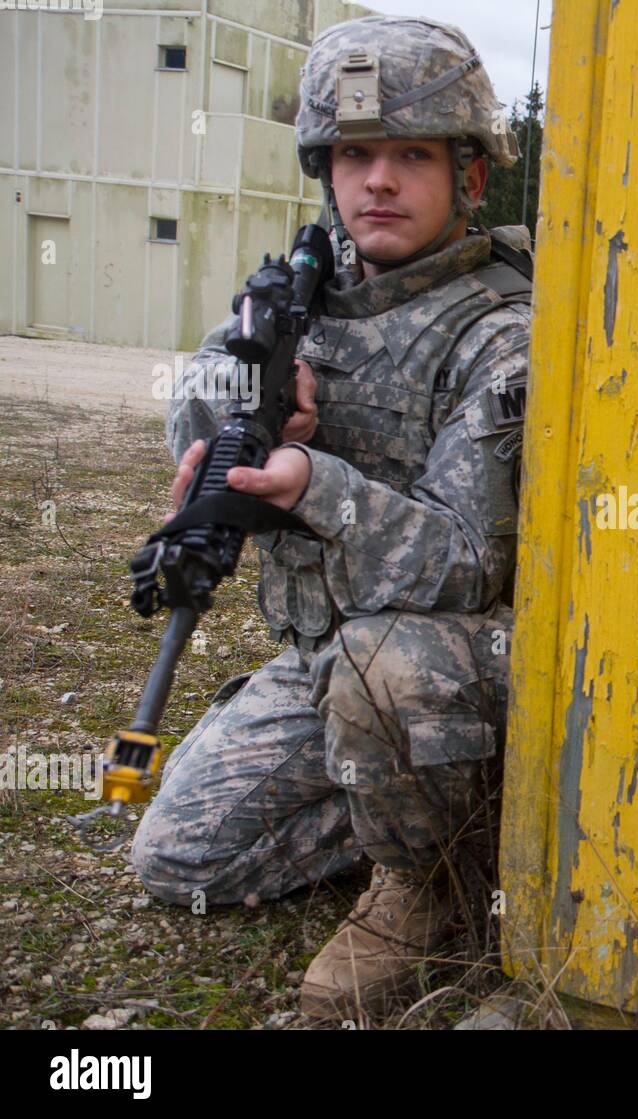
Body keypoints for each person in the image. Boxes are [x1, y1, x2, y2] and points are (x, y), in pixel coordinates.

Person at [128, 15, 533, 1023]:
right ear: (326, 169)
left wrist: (313, 480)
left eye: (412, 155)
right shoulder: (306, 300)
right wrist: (233, 412)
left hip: (446, 664)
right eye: (356, 155)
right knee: (178, 856)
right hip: (321, 664)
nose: (379, 181)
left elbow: (466, 560)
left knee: (380, 662)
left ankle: (429, 885)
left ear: (469, 176)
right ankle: (405, 803)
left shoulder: (501, 333)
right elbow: (198, 414)